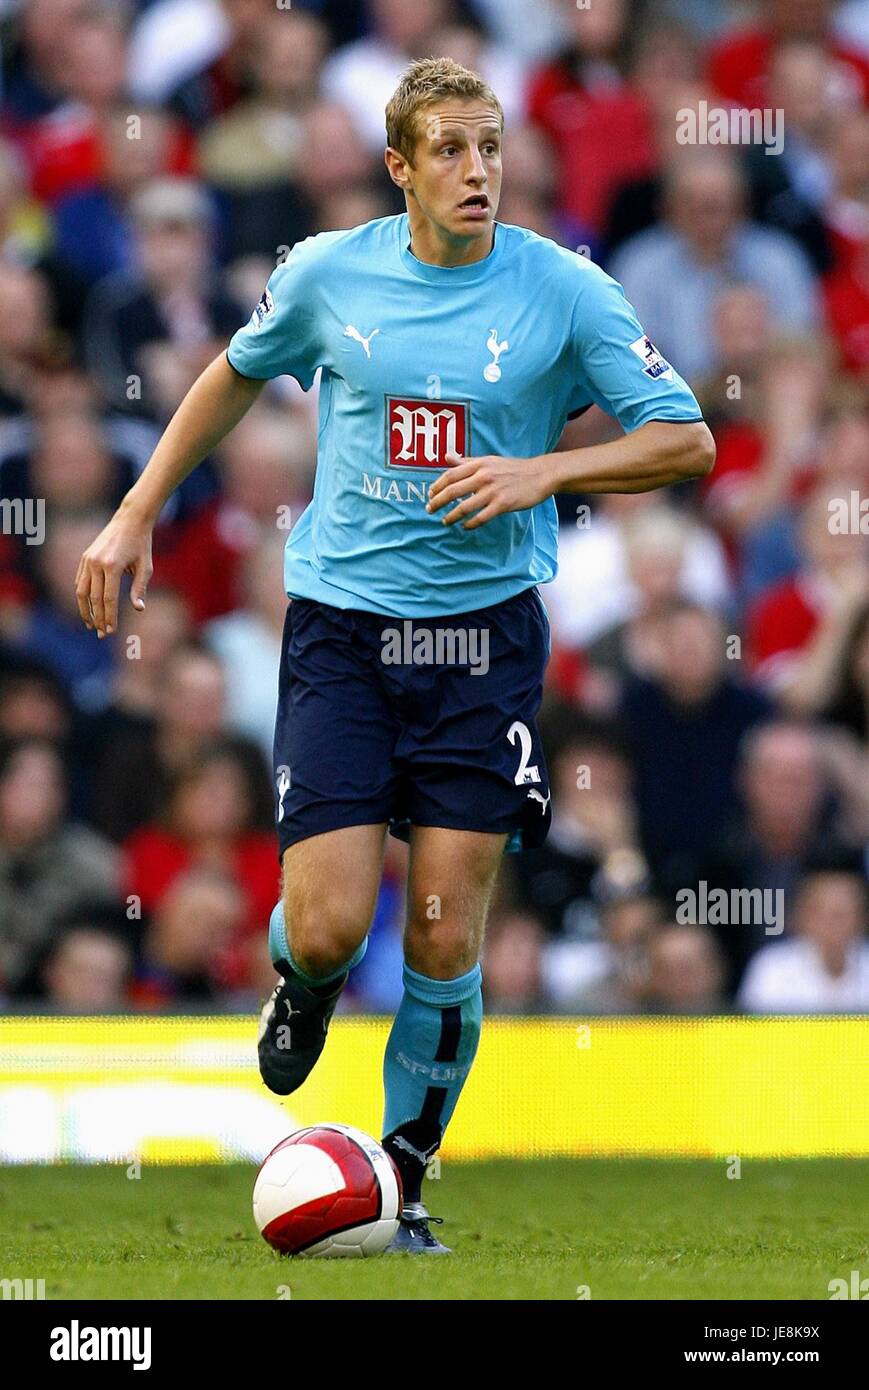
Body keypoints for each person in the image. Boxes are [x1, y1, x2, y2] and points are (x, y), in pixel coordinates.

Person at [74, 57, 714, 1253]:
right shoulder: (327, 275)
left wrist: (545, 471)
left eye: (492, 148)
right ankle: (301, 984)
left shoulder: (565, 292)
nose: (479, 172)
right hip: (343, 634)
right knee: (324, 925)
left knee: (436, 928)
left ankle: (405, 1179)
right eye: (453, 151)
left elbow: (685, 441)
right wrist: (136, 509)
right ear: (400, 168)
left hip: (482, 644)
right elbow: (229, 375)